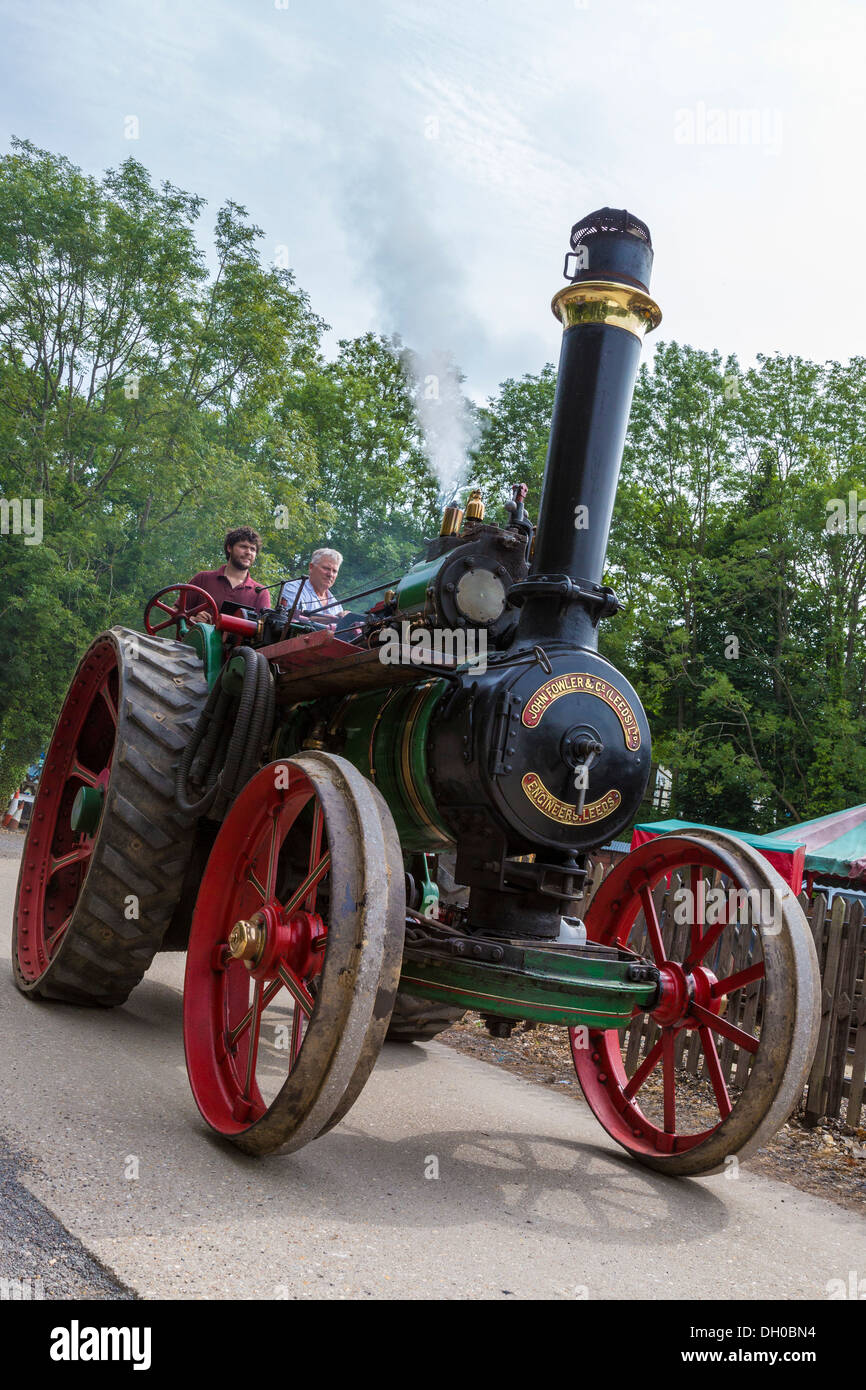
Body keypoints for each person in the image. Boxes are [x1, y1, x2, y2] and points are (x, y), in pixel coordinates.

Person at [186, 527, 272, 618]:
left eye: (253, 549)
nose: (248, 552)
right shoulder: (202, 578)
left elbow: (262, 630)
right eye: (243, 547)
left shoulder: (260, 592)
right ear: (229, 548)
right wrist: (191, 620)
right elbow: (177, 612)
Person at [279, 549, 345, 628]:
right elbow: (294, 620)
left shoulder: (336, 605)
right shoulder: (293, 588)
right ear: (311, 567)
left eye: (334, 571)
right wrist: (333, 619)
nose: (330, 574)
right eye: (326, 568)